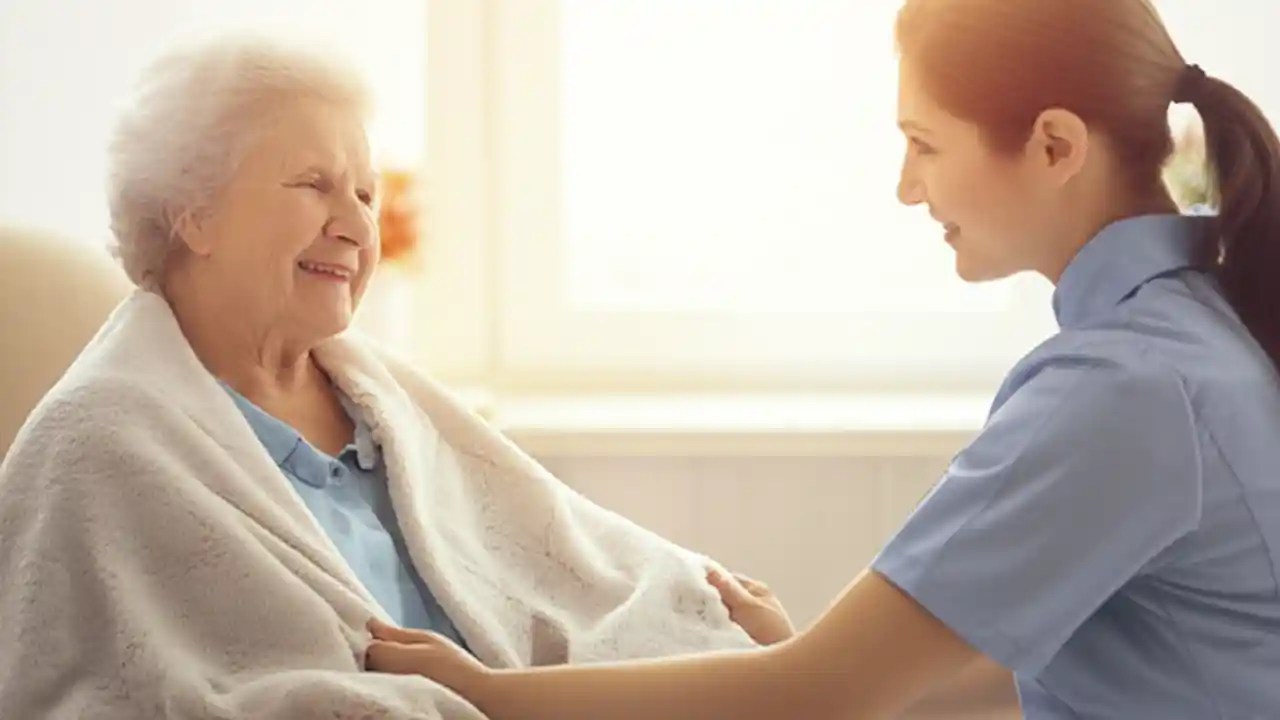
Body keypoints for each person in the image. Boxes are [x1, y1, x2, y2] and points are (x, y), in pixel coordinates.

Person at [362, 1, 1280, 717]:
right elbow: (1069, 657)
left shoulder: (1123, 389)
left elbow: (808, 701)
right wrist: (834, 661)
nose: (908, 187)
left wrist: (484, 694)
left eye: (924, 144)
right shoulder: (1198, 328)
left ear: (1055, 145)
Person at [0, 35, 759, 719]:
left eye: (365, 194)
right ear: (193, 214)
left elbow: (574, 572)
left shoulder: (384, 399)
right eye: (313, 184)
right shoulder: (98, 438)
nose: (358, 226)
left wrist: (707, 620)